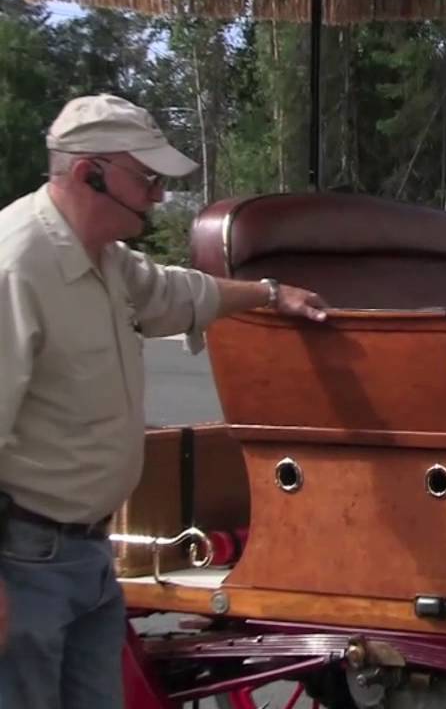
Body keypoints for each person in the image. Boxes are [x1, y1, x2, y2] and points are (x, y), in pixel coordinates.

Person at [0, 94, 331, 708]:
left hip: (87, 554)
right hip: (24, 565)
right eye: (146, 179)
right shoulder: (16, 267)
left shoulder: (105, 260)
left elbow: (178, 294)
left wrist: (269, 292)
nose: (156, 196)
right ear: (86, 173)